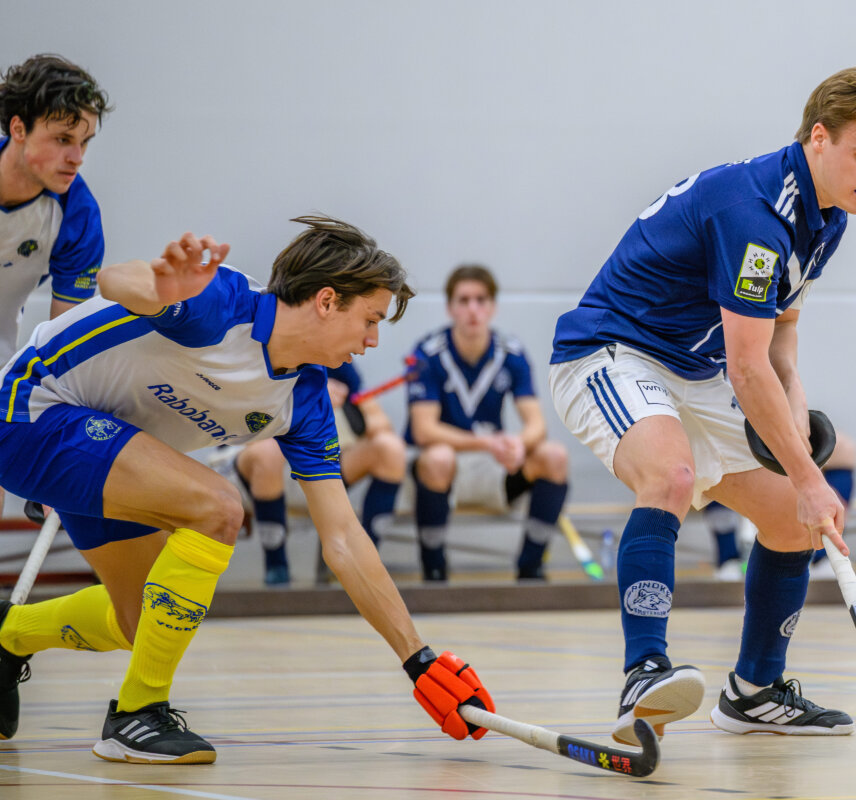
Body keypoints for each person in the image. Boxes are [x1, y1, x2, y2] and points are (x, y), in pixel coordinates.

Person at [0, 218, 494, 764]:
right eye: (370, 319)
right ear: (327, 301)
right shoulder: (223, 304)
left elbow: (343, 538)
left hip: (110, 449)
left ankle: (9, 633)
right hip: (31, 412)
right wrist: (162, 289)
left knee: (136, 620)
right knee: (217, 508)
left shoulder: (304, 401)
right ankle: (138, 713)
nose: (372, 339)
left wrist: (415, 657)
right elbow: (115, 280)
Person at [550, 66, 856, 745]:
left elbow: (782, 344)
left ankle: (753, 691)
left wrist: (800, 454)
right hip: (611, 350)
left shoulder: (828, 216)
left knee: (791, 520)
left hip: (695, 367)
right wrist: (810, 478)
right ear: (818, 138)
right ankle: (643, 671)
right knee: (671, 473)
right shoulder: (755, 215)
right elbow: (747, 369)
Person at [406, 264, 570, 582]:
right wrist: (488, 443)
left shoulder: (511, 351)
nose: (473, 309)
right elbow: (423, 431)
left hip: (492, 465)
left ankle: (530, 567)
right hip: (438, 469)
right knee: (437, 457)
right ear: (449, 306)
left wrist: (519, 444)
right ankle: (434, 569)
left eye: (481, 300)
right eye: (464, 300)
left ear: (492, 306)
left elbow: (536, 424)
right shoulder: (427, 353)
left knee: (554, 456)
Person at [0, 54, 109, 516]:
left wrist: (49, 458)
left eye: (84, 141)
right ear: (18, 128)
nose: (77, 158)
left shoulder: (77, 217)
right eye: (63, 139)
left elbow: (62, 349)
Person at [214, 360, 407, 586]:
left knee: (390, 449)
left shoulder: (336, 357)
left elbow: (380, 423)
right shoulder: (260, 348)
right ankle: (277, 567)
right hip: (248, 460)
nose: (369, 340)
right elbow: (242, 419)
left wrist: (355, 409)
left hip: (312, 463)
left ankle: (360, 563)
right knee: (269, 452)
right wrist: (307, 397)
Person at [707, 431, 856, 581]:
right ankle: (728, 558)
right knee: (715, 449)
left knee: (844, 448)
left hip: (778, 427)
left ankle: (821, 555)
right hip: (729, 429)